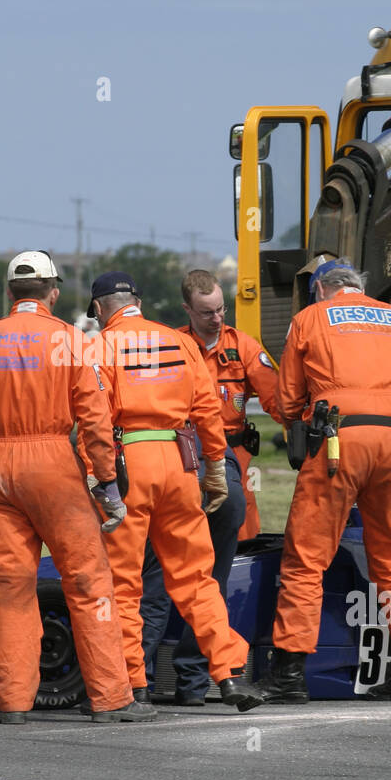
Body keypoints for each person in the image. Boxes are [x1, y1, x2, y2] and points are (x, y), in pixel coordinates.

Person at [0, 251, 152, 724]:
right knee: (87, 581)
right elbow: (94, 420)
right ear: (52, 293)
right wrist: (106, 484)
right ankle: (111, 697)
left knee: (12, 587)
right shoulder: (71, 341)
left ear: (11, 293)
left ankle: (13, 702)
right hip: (52, 465)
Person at [87, 270, 265, 712]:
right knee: (197, 579)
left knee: (126, 585)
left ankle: (136, 687)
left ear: (97, 309)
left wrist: (102, 479)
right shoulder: (179, 342)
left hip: (130, 467)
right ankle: (227, 676)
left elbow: (93, 422)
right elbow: (207, 409)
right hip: (181, 467)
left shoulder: (100, 348)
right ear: (139, 301)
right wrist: (215, 471)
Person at [256, 258, 391, 703]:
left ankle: (289, 674)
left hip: (339, 440)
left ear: (320, 289)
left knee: (306, 558)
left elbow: (290, 397)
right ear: (358, 287)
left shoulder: (311, 317)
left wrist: (298, 428)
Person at [138, 269, 283, 705]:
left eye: (222, 309)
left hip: (225, 470)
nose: (217, 318)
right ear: (187, 310)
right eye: (207, 312)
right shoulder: (171, 346)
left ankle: (192, 682)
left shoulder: (245, 349)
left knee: (212, 580)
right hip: (179, 463)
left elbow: (279, 402)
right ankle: (136, 679)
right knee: (160, 574)